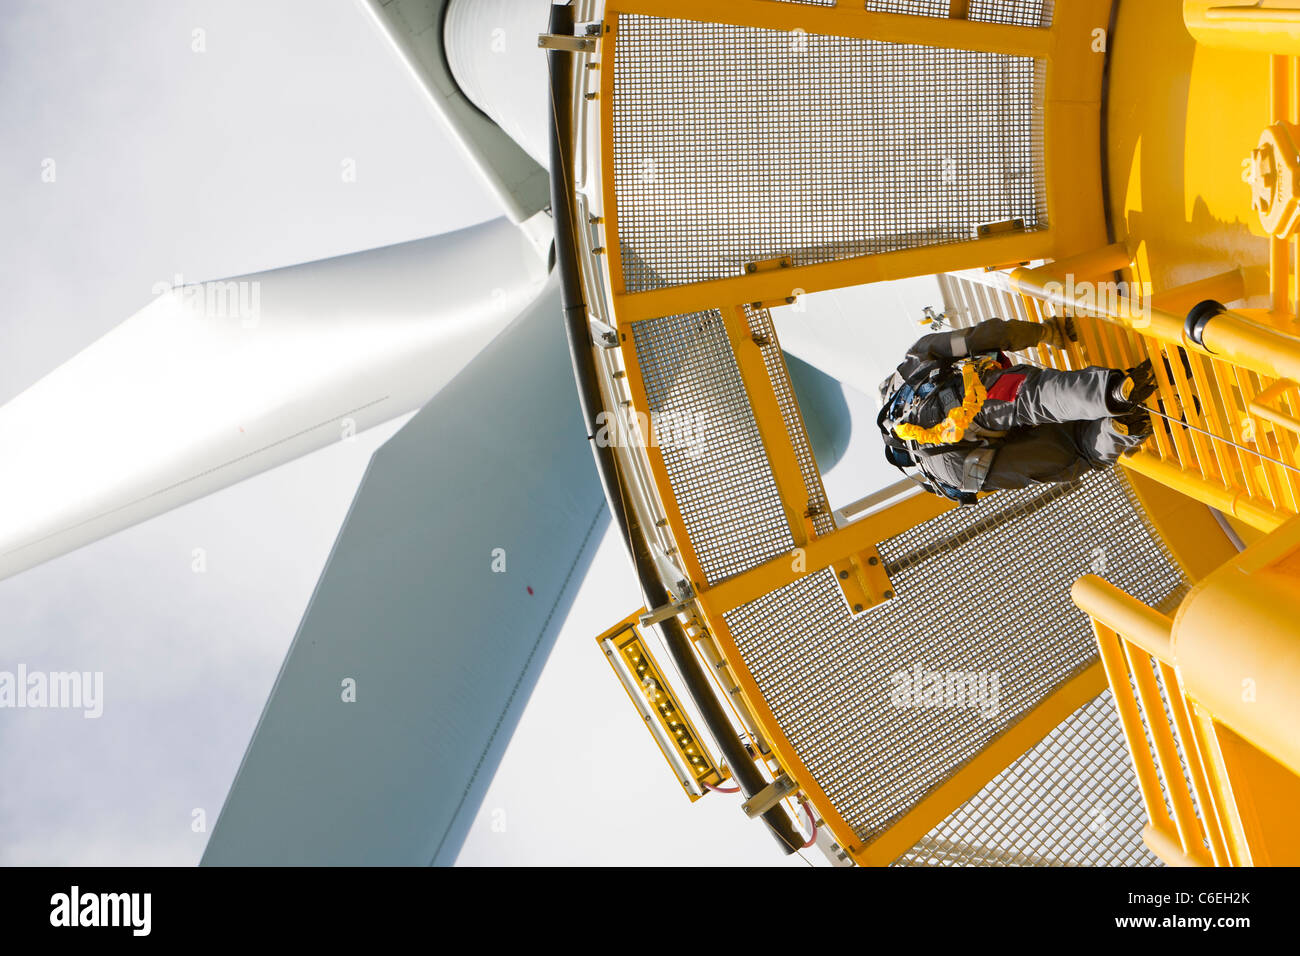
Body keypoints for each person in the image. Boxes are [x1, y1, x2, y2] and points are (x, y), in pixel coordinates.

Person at [877, 316, 1157, 503]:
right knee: (1034, 397)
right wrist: (1046, 331)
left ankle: (1121, 429)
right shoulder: (916, 359)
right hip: (961, 398)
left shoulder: (913, 447)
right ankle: (1114, 391)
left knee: (1073, 453)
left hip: (954, 472)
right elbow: (990, 335)